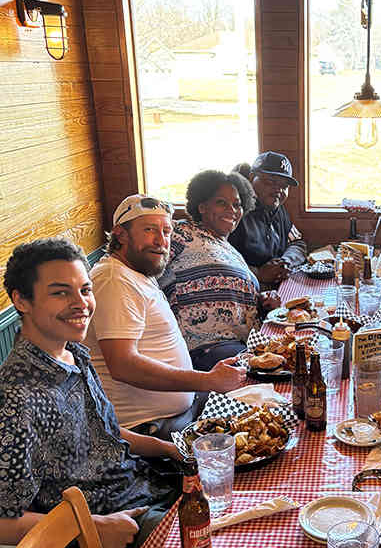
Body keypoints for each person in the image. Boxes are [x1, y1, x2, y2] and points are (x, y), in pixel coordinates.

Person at [0, 238, 184, 548]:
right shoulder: (16, 397)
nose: (80, 303)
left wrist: (170, 449)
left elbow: (106, 433)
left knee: (236, 491)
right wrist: (93, 527)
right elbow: (4, 520)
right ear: (21, 300)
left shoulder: (75, 353)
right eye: (60, 293)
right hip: (97, 541)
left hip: (143, 487)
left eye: (85, 290)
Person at [85, 195, 245, 439]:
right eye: (149, 230)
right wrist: (206, 380)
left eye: (167, 231)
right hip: (148, 430)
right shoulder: (113, 279)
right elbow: (123, 366)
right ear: (120, 234)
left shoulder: (135, 273)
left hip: (179, 413)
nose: (161, 241)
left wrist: (209, 381)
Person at [158, 170, 280, 370]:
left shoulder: (230, 250)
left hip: (245, 344)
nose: (232, 210)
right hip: (204, 349)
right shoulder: (181, 233)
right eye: (221, 203)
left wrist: (262, 300)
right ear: (202, 207)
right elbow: (143, 263)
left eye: (237, 204)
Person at [228, 152, 307, 288]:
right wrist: (257, 273)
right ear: (251, 178)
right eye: (271, 182)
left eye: (284, 186)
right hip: (246, 287)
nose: (278, 190)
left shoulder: (278, 209)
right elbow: (219, 260)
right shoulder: (234, 212)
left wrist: (286, 262)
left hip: (277, 287)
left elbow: (297, 243)